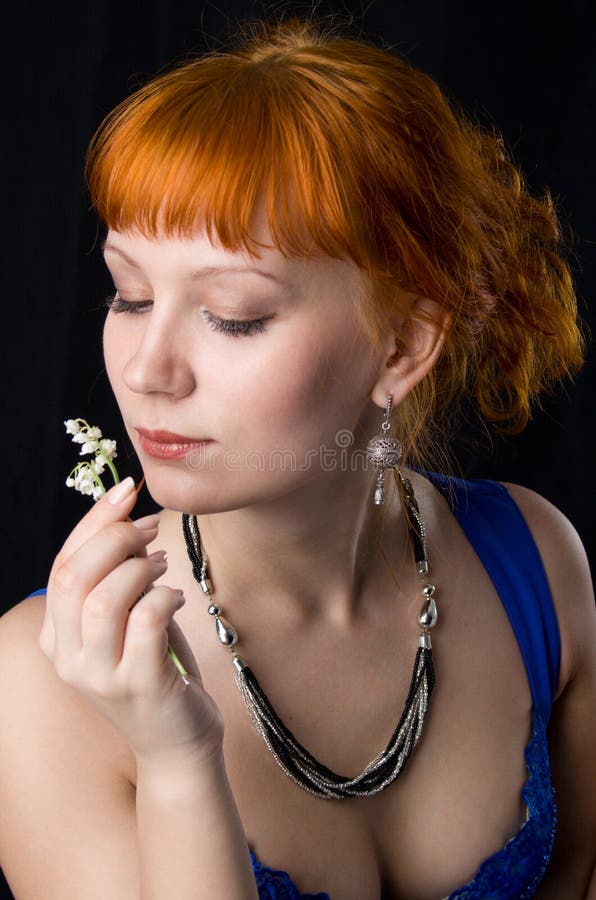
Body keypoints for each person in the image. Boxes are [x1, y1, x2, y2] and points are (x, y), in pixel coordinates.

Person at [0, 17, 594, 900]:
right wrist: (177, 756)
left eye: (234, 313)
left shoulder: (536, 562)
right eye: (129, 295)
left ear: (400, 349)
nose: (145, 371)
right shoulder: (40, 682)